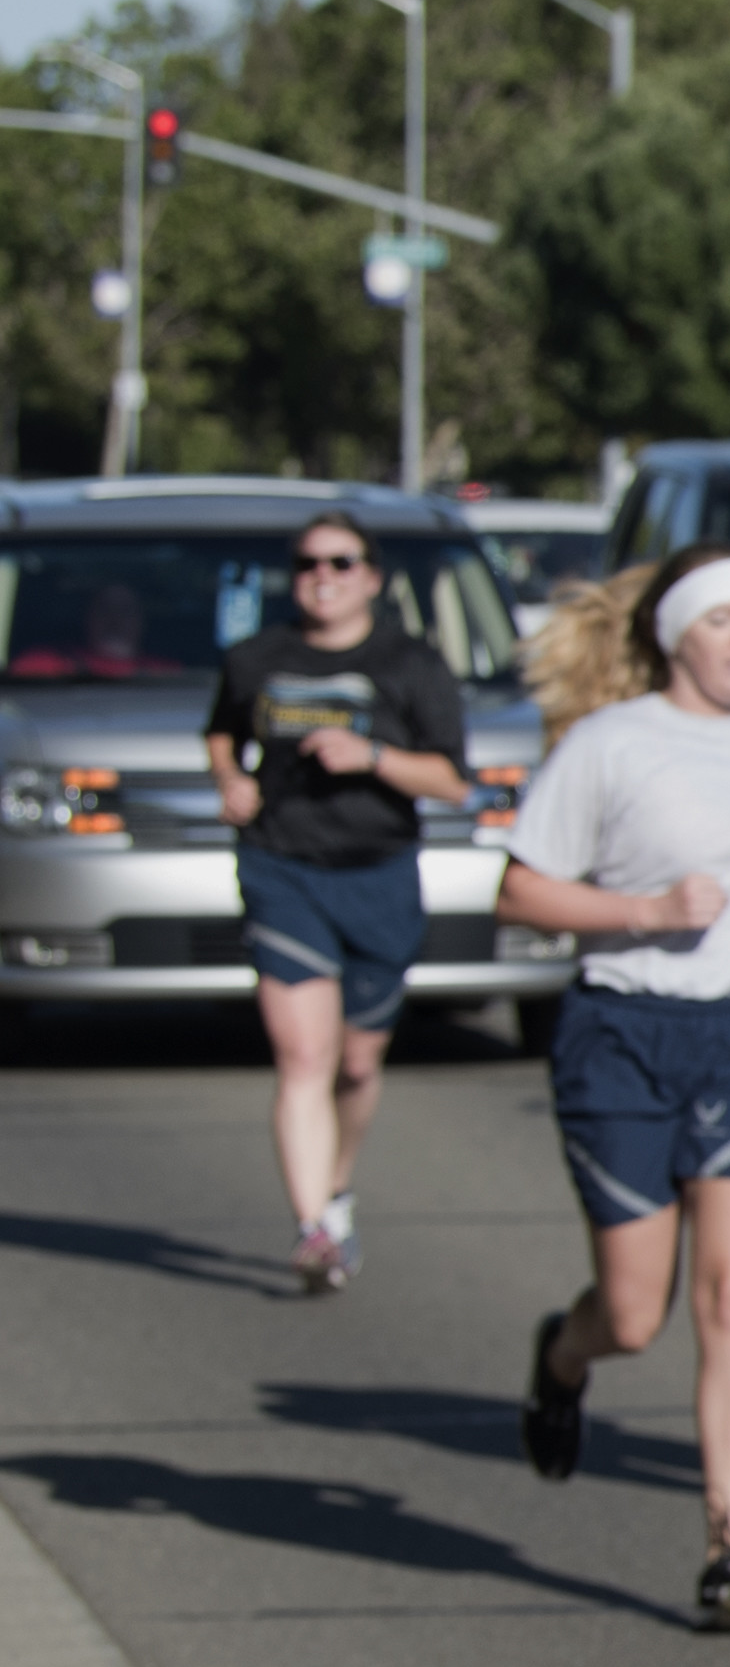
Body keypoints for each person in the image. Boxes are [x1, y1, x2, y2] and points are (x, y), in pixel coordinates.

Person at [498, 551, 730, 1632]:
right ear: (675, 636)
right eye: (722, 620)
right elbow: (518, 892)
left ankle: (727, 1550)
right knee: (636, 1313)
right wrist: (646, 912)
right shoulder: (609, 744)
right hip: (626, 1030)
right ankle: (565, 1355)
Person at [208, 508, 468, 1294]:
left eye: (342, 563)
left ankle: (337, 1184)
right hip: (283, 867)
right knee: (303, 1058)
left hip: (378, 872)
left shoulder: (410, 664)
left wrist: (374, 756)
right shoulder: (259, 657)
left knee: (357, 1063)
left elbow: (453, 780)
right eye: (310, 564)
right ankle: (314, 1225)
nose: (324, 577)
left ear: (373, 578)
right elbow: (222, 732)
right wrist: (231, 781)